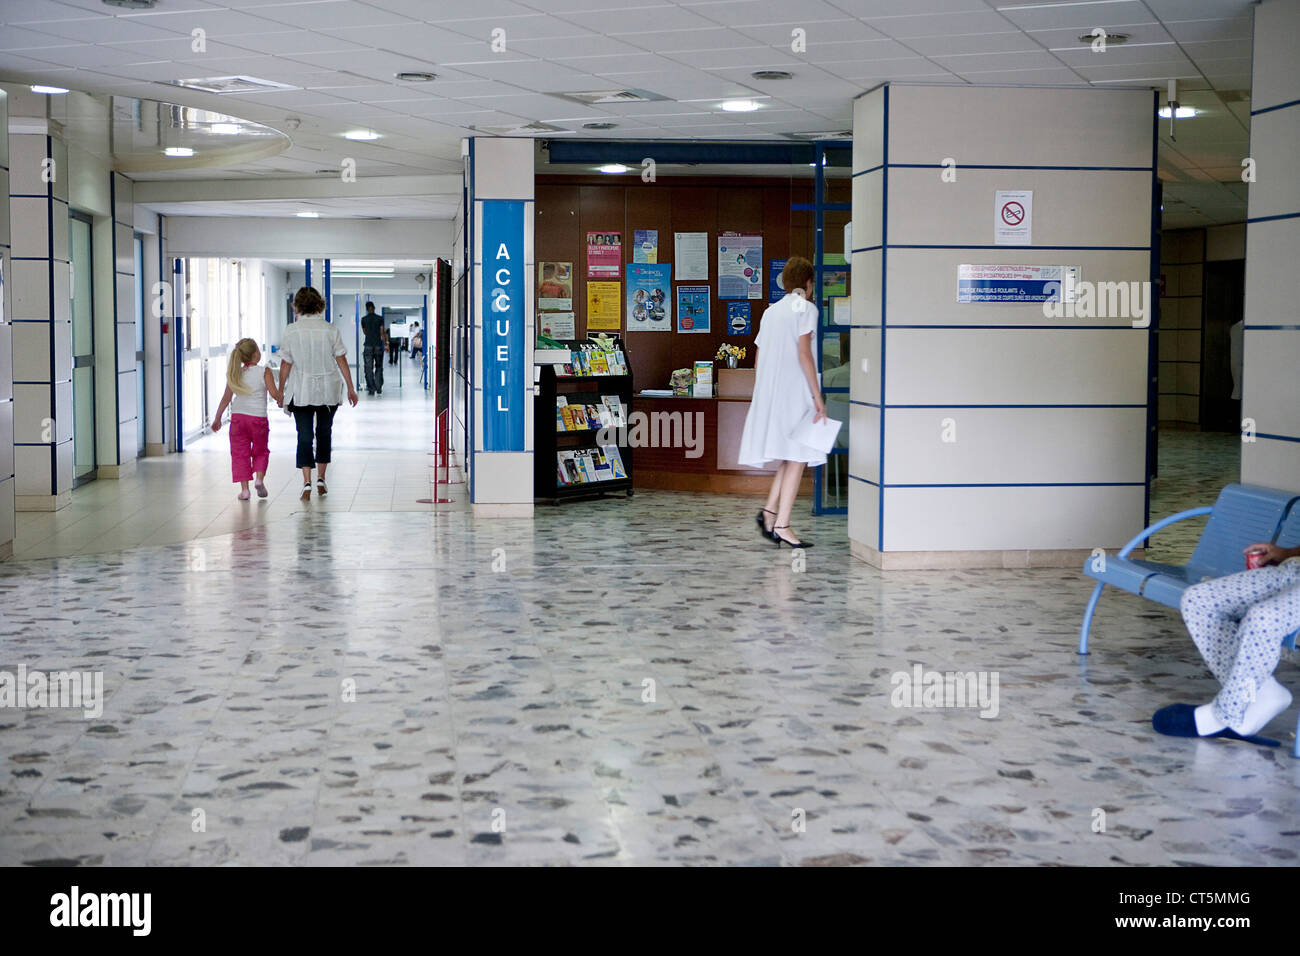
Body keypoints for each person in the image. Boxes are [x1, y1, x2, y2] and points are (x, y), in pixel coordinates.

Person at [1153, 543, 1299, 745]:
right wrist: (1285, 553)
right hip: (1292, 571)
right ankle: (1262, 691)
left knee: (1263, 618)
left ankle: (1226, 715)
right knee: (1198, 600)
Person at [737, 255, 826, 548]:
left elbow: (759, 356)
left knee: (790, 456)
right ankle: (783, 525)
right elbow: (804, 353)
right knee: (799, 456)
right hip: (796, 393)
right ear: (808, 284)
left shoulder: (771, 312)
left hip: (773, 394)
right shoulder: (807, 308)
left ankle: (769, 513)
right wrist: (817, 396)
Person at [277, 286, 358, 500]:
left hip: (300, 391)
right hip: (327, 392)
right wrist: (350, 387)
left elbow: (286, 363)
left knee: (304, 436)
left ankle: (306, 482)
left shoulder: (291, 330)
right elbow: (341, 360)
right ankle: (321, 478)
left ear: (298, 306)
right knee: (324, 433)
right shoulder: (330, 330)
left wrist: (279, 390)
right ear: (319, 304)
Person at [210, 337, 281, 500]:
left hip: (238, 419)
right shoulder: (265, 371)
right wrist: (281, 399)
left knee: (240, 453)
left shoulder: (236, 373)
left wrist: (217, 418)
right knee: (261, 451)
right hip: (258, 419)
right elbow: (273, 392)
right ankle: (259, 479)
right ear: (256, 353)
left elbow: (226, 398)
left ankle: (245, 490)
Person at [360, 300, 387, 396]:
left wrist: (370, 335)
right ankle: (379, 387)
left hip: (368, 346)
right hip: (378, 346)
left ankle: (371, 389)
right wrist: (386, 344)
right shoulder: (380, 318)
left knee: (368, 368)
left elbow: (365, 332)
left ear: (367, 309)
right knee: (379, 367)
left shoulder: (364, 319)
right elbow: (382, 332)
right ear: (374, 308)